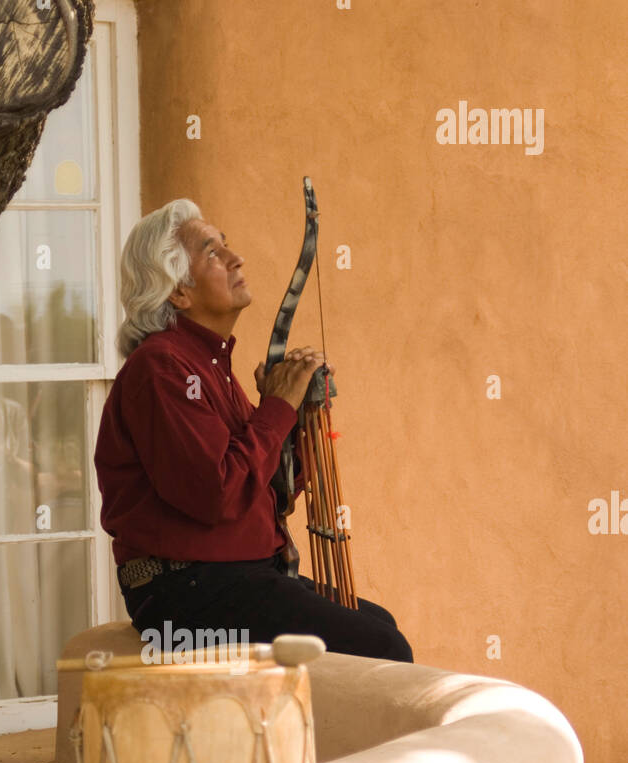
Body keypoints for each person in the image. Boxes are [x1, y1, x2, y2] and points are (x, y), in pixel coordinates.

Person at [93, 197, 413, 662]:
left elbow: (269, 490)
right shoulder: (161, 367)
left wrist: (295, 420)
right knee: (382, 648)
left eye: (227, 246)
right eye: (212, 252)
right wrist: (278, 406)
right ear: (178, 292)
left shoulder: (206, 365)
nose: (235, 258)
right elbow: (216, 493)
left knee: (379, 625)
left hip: (237, 578)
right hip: (185, 595)